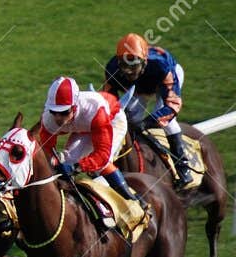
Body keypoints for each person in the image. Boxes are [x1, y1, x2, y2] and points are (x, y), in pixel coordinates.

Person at [102, 32, 193, 189]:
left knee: (167, 123)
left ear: (144, 62)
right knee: (130, 118)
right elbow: (109, 103)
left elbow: (172, 105)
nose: (130, 72)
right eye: (125, 67)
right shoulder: (112, 69)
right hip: (140, 86)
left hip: (164, 80)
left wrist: (149, 122)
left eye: (134, 66)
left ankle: (183, 167)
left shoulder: (161, 65)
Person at [35, 76, 140, 204]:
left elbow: (102, 155)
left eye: (64, 112)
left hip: (112, 121)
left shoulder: (95, 110)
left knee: (102, 165)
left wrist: (76, 167)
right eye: (54, 111)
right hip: (84, 126)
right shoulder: (48, 119)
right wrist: (55, 162)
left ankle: (133, 200)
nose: (58, 118)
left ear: (74, 107)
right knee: (65, 160)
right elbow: (47, 150)